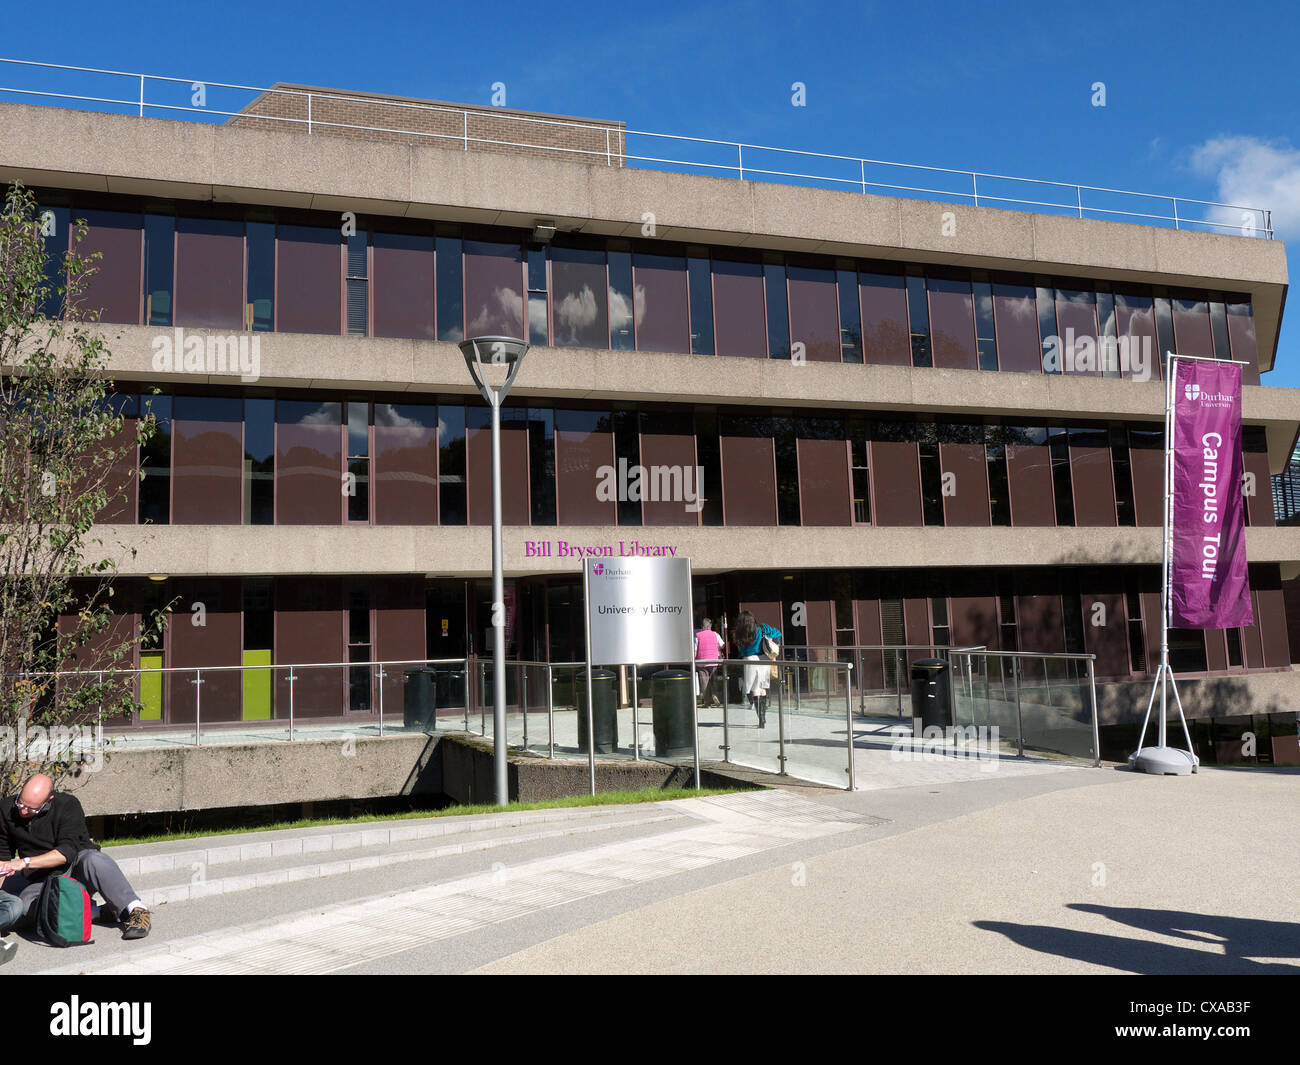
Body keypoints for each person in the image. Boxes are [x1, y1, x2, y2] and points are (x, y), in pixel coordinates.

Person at [0, 774, 151, 961]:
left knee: (94, 859)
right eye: (21, 804)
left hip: (77, 868)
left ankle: (136, 910)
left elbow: (66, 852)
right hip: (41, 879)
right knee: (24, 907)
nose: (23, 812)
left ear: (49, 800)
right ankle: (95, 913)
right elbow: (3, 859)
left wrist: (24, 862)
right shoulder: (6, 808)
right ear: (21, 786)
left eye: (32, 809)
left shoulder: (68, 805)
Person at [732, 610, 782, 728]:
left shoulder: (740, 632)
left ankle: (761, 719)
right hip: (764, 659)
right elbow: (778, 633)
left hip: (749, 660)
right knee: (763, 687)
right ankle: (763, 717)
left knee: (755, 688)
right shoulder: (762, 629)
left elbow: (741, 649)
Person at [694, 618, 723, 708]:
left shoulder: (697, 635)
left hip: (701, 662)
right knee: (713, 681)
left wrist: (694, 659)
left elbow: (694, 649)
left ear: (702, 626)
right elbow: (722, 645)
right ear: (710, 626)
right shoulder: (716, 634)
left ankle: (707, 703)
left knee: (704, 683)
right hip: (713, 661)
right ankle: (714, 694)